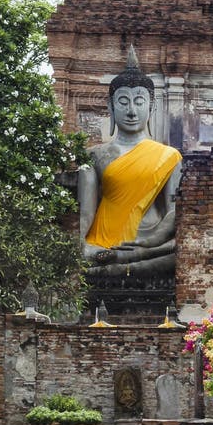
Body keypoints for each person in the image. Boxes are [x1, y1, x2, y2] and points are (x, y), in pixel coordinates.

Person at [78, 48, 182, 278]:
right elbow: (86, 214)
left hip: (149, 244)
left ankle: (126, 259)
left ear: (151, 106)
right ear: (110, 107)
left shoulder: (170, 156)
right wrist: (80, 245)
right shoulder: (93, 155)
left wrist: (151, 242)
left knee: (177, 252)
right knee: (84, 255)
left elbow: (173, 211)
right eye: (123, 102)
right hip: (102, 243)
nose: (132, 111)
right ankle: (119, 260)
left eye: (139, 101)